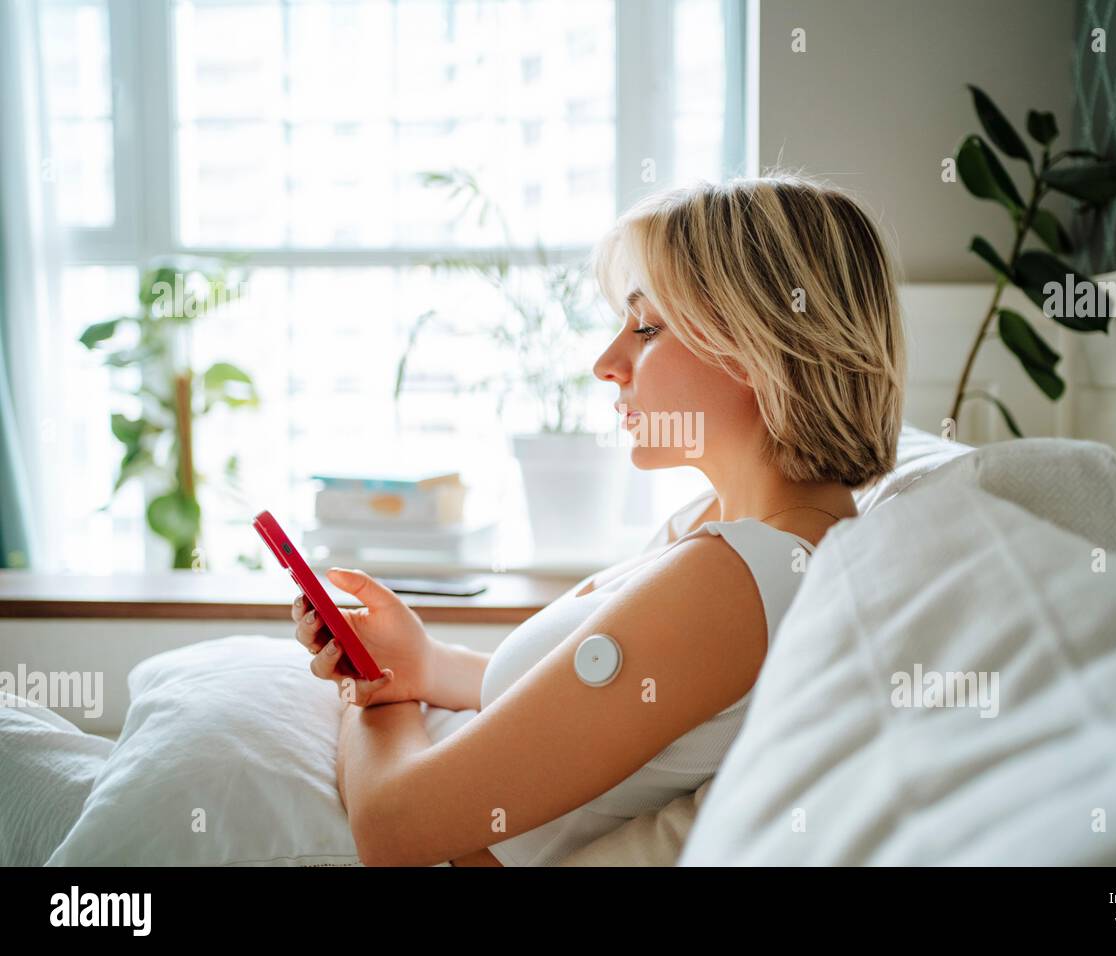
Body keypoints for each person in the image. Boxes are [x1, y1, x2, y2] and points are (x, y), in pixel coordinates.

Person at [291, 169, 908, 866]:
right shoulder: (719, 524)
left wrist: (366, 701)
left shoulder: (740, 577)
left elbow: (391, 829)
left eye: (646, 327)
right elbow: (598, 716)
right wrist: (424, 667)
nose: (607, 362)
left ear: (759, 346)